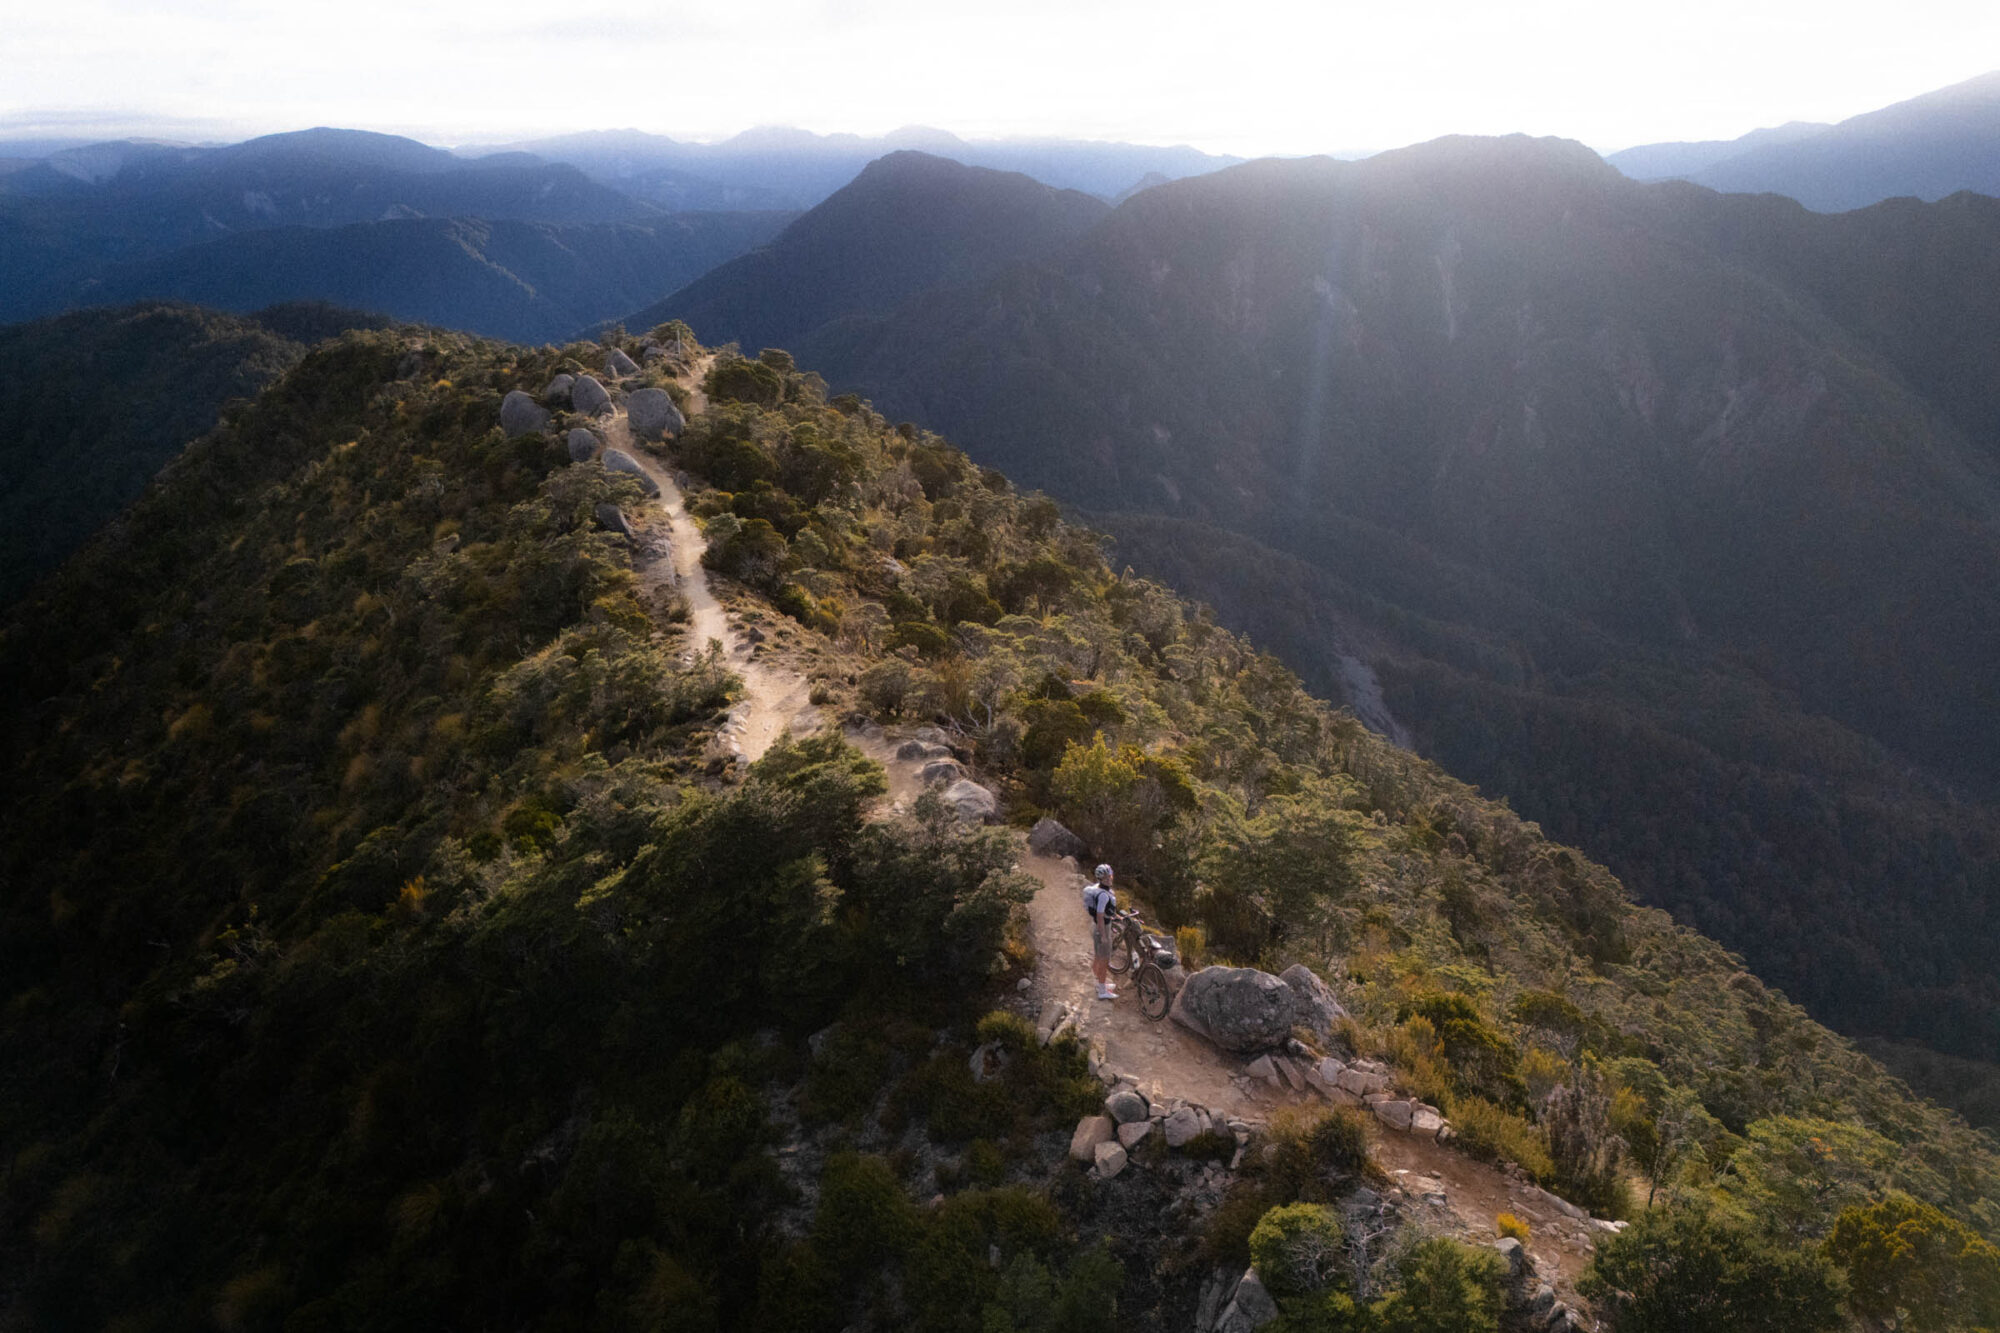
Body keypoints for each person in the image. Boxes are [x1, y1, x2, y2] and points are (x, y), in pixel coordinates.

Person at [1084, 863, 1118, 1000]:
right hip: (1102, 928)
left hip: (1098, 926)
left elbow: (1105, 912)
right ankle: (1102, 990)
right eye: (1106, 878)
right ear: (1100, 879)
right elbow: (1100, 915)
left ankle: (1098, 984)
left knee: (1098, 957)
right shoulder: (1103, 895)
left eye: (1110, 876)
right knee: (1104, 960)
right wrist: (1104, 935)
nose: (1109, 879)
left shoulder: (1099, 890)